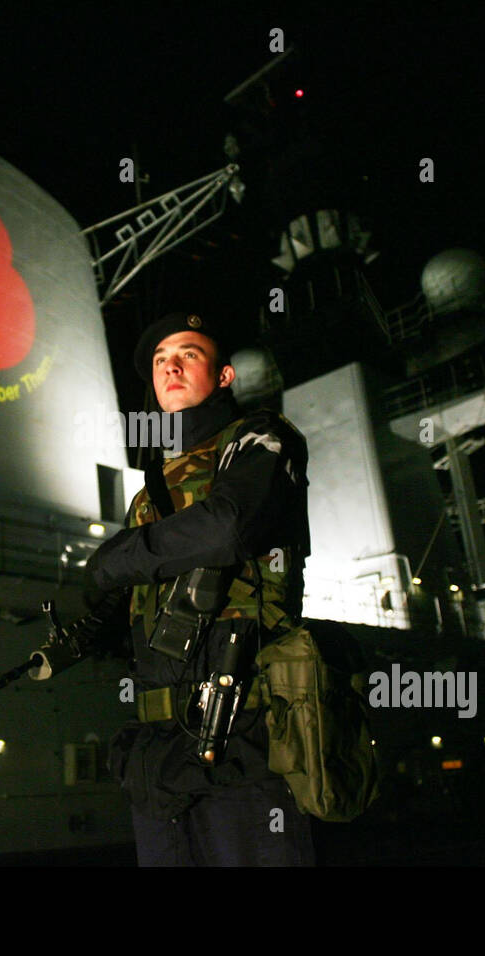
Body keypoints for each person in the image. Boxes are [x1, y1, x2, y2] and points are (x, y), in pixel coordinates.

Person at [85, 311, 314, 866]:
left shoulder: (260, 438)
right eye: (161, 360)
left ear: (225, 376)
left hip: (243, 737)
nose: (171, 366)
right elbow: (138, 609)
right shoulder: (151, 491)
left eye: (188, 353)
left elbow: (230, 525)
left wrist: (114, 561)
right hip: (161, 753)